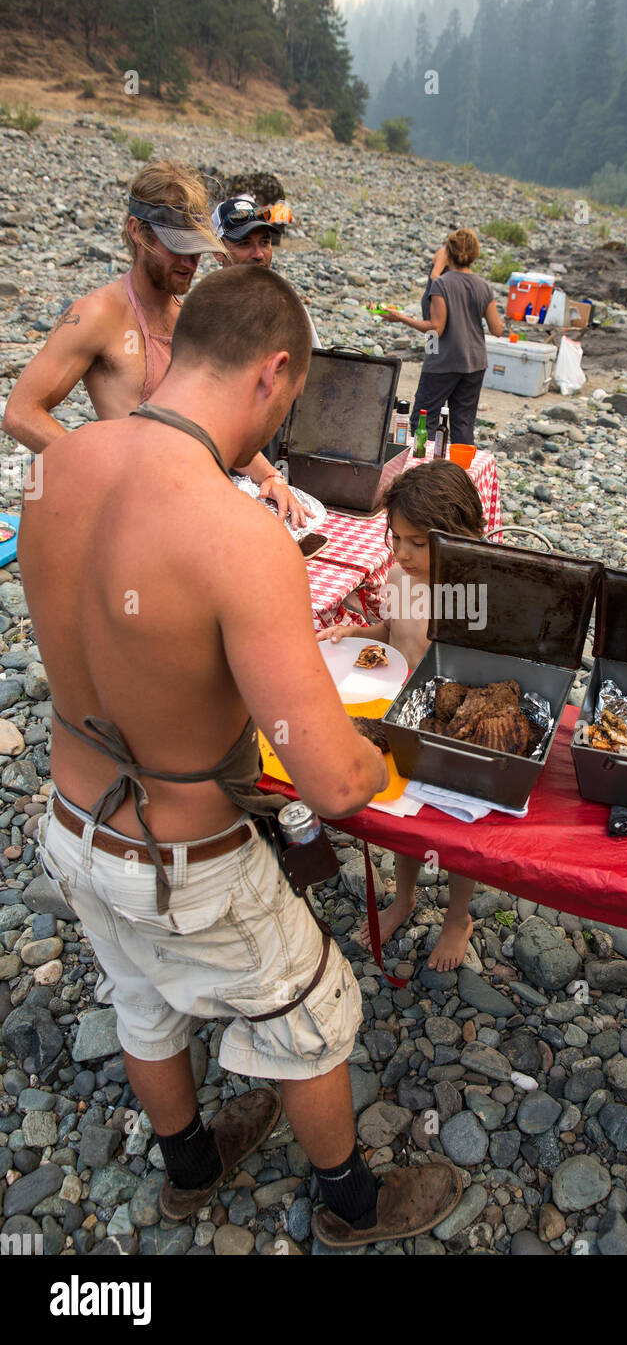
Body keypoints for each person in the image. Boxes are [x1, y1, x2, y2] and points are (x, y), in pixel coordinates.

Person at [19, 265, 461, 1248]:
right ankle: (351, 1205)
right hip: (180, 857)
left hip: (72, 823)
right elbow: (332, 779)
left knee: (142, 999)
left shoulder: (57, 468)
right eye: (293, 400)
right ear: (270, 374)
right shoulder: (239, 533)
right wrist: (410, 758)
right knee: (309, 1004)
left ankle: (191, 1172)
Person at [2, 163, 301, 525]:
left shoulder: (193, 316)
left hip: (192, 501)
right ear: (137, 232)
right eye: (178, 249)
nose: (191, 263)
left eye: (196, 250)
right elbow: (20, 412)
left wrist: (270, 477)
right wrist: (98, 464)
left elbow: (215, 421)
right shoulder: (98, 315)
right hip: (131, 514)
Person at [316, 461, 487, 970]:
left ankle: (460, 916)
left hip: (450, 723)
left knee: (452, 824)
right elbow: (394, 635)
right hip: (401, 708)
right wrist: (355, 632)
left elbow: (479, 674)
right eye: (396, 538)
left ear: (457, 535)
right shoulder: (398, 576)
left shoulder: (469, 594)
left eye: (417, 542)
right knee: (404, 817)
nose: (402, 553)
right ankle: (406, 896)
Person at [211, 193, 321, 473]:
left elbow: (316, 377)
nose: (258, 254)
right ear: (217, 250)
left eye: (265, 242)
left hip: (276, 454)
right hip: (218, 458)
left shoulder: (289, 307)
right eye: (244, 244)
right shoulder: (204, 313)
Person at [384, 228, 504, 445]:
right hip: (475, 362)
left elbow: (435, 328)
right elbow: (497, 329)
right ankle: (461, 474)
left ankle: (428, 471)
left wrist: (401, 318)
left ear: (448, 252)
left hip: (443, 362)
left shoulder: (441, 284)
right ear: (475, 254)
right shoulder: (484, 286)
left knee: (424, 419)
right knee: (463, 423)